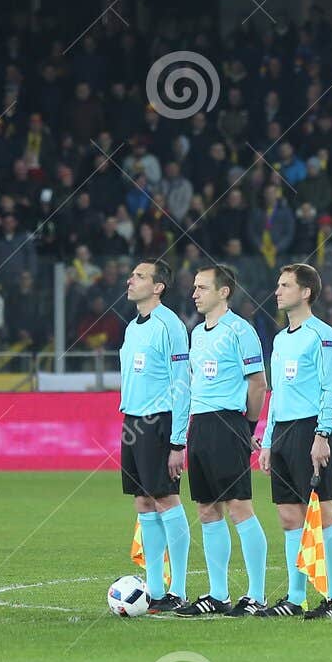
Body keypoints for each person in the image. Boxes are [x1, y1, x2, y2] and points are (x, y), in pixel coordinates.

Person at [176, 264, 270, 616]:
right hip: (199, 425)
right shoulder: (197, 333)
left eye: (202, 287)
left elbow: (258, 384)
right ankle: (218, 595)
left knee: (238, 507)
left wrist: (247, 428)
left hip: (229, 423)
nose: (194, 293)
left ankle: (256, 595)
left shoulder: (240, 330)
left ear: (224, 291)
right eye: (195, 287)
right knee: (206, 509)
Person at [255, 263, 332, 618]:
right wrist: (267, 441)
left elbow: (329, 387)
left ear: (305, 292)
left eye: (285, 285)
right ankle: (296, 599)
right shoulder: (280, 339)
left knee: (323, 514)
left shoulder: (322, 334)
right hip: (283, 434)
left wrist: (322, 434)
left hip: (311, 430)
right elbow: (276, 393)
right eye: (278, 285)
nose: (277, 291)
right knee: (290, 518)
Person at [118, 258, 191, 615]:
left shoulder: (170, 326)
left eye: (139, 276)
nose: (130, 280)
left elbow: (182, 383)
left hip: (158, 421)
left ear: (158, 286)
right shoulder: (133, 327)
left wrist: (178, 440)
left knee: (165, 499)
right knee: (143, 502)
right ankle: (155, 589)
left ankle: (177, 590)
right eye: (132, 275)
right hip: (132, 420)